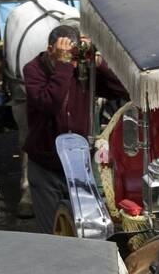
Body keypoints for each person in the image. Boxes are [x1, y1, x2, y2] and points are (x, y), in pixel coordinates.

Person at [23, 24, 126, 233]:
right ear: (50, 49)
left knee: (88, 229)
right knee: (51, 232)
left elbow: (121, 90)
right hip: (46, 164)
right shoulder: (33, 69)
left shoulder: (83, 68)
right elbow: (50, 103)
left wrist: (98, 63)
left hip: (80, 164)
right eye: (61, 54)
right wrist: (64, 65)